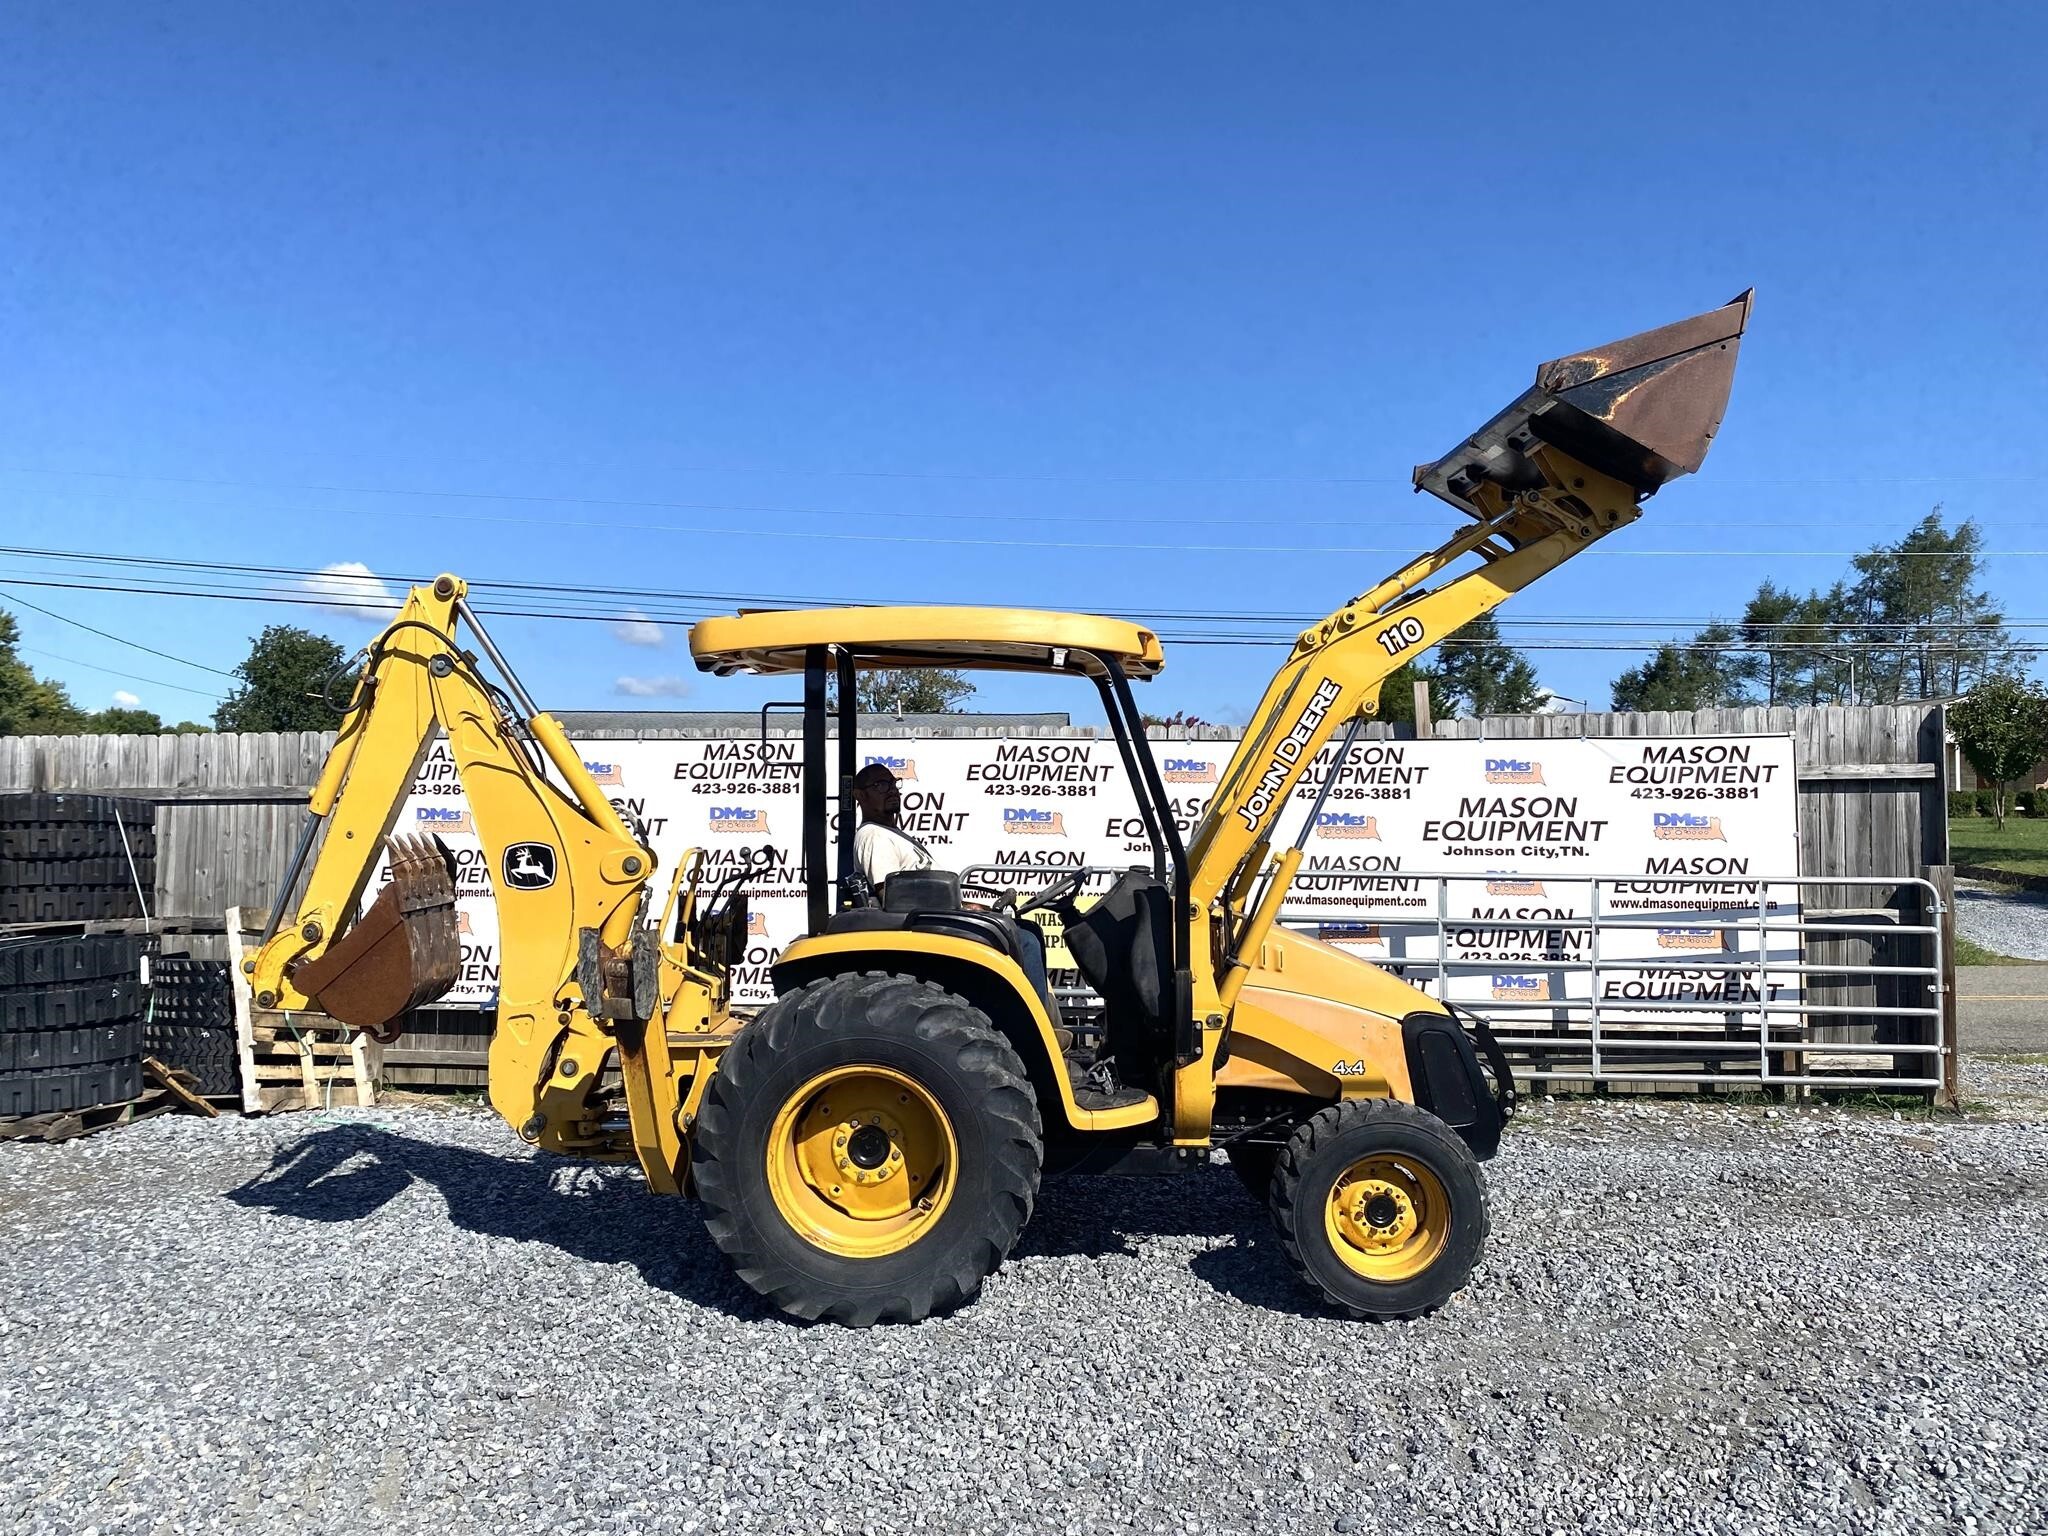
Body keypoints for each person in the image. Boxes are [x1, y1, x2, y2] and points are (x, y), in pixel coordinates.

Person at [852, 763, 932, 892]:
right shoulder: (874, 835)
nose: (893, 790)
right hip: (929, 911)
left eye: (893, 783)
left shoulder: (890, 833)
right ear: (860, 795)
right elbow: (893, 898)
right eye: (882, 785)